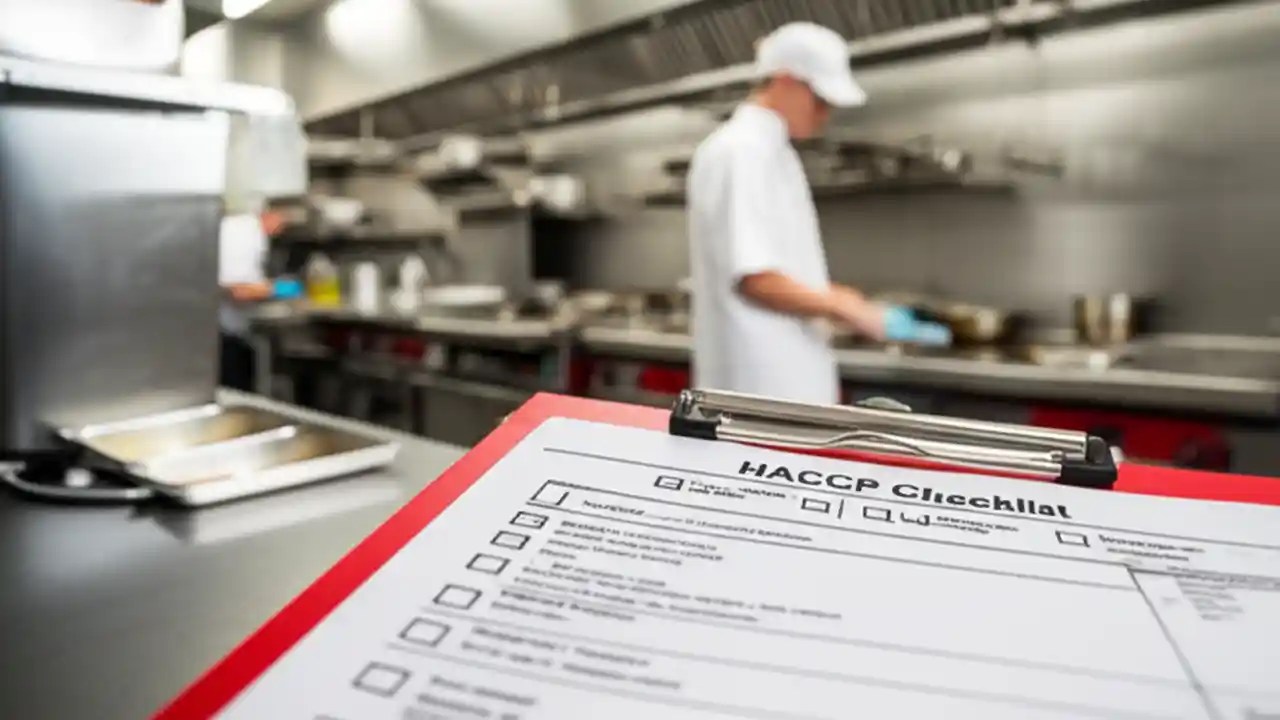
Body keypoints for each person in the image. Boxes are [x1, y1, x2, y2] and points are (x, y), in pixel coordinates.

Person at [687, 22, 948, 404]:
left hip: (786, 385)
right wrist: (844, 306)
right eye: (821, 99)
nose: (826, 113)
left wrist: (842, 298)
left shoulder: (775, 153)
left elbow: (777, 266)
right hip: (756, 390)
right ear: (786, 80)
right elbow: (755, 278)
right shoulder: (738, 152)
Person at [218, 208, 286, 391]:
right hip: (223, 335)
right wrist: (281, 289)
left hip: (228, 331)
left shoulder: (247, 231)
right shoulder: (243, 233)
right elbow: (238, 291)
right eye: (284, 219)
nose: (284, 227)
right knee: (235, 393)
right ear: (271, 213)